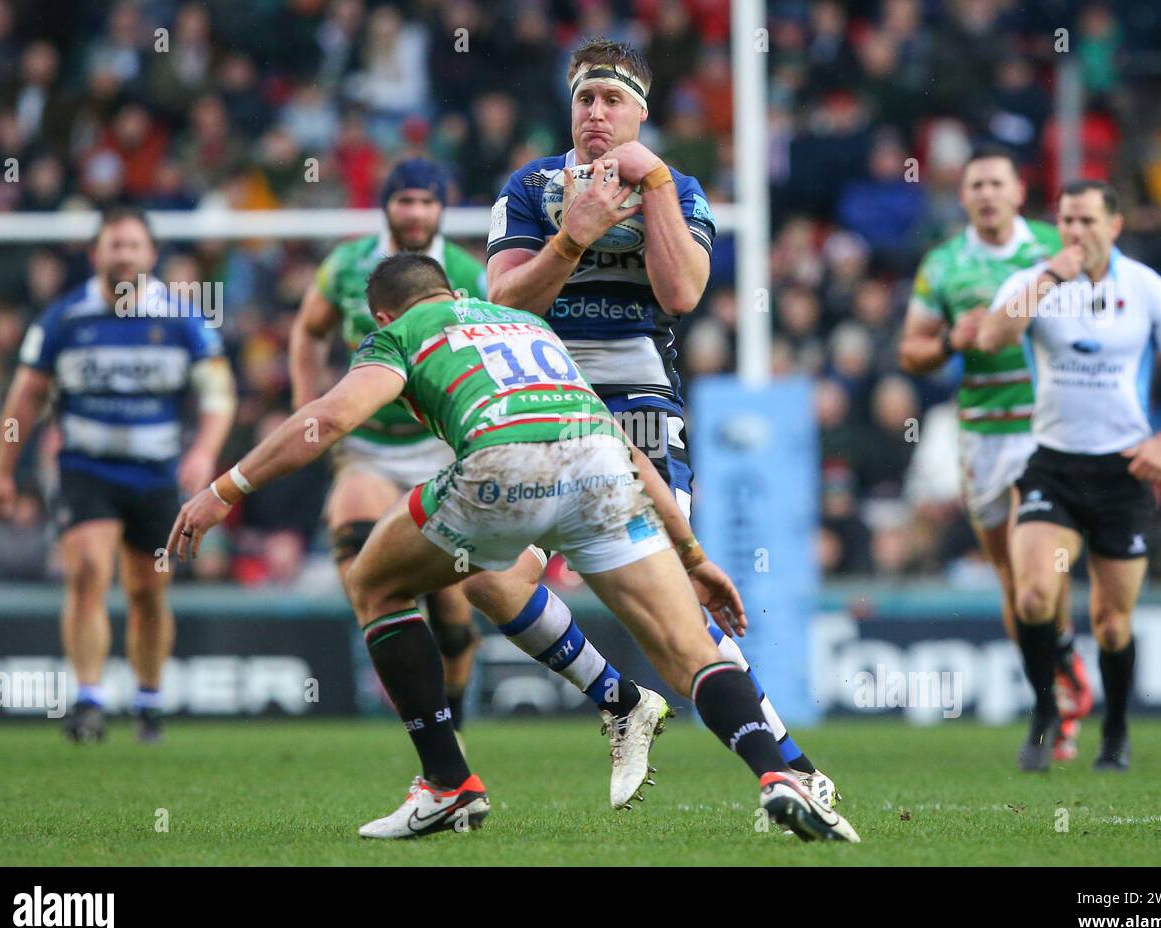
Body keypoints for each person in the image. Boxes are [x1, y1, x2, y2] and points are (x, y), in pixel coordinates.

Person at [169, 253, 861, 844]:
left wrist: (223, 490)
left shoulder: (402, 331)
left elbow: (327, 419)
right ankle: (779, 775)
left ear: (382, 315)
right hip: (600, 465)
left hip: (508, 464)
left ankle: (448, 782)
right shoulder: (528, 324)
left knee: (376, 580)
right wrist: (693, 554)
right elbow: (618, 441)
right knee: (689, 650)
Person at [479, 35, 842, 811]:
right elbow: (503, 308)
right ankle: (618, 700)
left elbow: (680, 294)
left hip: (638, 411)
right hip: (541, 405)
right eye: (585, 99)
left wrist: (660, 188)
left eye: (612, 100)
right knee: (478, 570)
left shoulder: (680, 187)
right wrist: (573, 234)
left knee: (671, 611)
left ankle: (790, 763)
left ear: (640, 113)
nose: (596, 114)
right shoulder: (532, 186)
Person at [976, 180, 1161, 771]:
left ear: (1116, 225)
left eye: (1087, 221)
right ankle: (1045, 708)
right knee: (1032, 596)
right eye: (1067, 221)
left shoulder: (1148, 289)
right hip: (1052, 465)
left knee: (1110, 622)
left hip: (1123, 471)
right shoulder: (1039, 281)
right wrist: (1049, 278)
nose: (1076, 232)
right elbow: (990, 338)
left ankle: (1118, 731)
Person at [0, 206, 235, 743]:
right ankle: (90, 700)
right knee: (88, 573)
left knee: (147, 591)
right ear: (95, 254)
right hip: (85, 467)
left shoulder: (182, 317)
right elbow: (24, 397)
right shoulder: (63, 318)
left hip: (156, 474)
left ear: (151, 255)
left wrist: (204, 453)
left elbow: (218, 394)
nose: (123, 255)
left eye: (133, 246)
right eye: (114, 245)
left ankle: (148, 700)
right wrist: (1, 470)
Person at [898, 144, 1092, 761]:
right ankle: (1055, 671)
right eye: (975, 183)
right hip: (981, 431)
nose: (985, 193)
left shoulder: (1050, 246)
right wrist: (951, 341)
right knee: (1013, 581)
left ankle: (1051, 686)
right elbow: (910, 351)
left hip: (1048, 426)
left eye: (996, 183)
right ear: (963, 196)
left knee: (1040, 558)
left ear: (1018, 190)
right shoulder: (944, 264)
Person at [290, 158, 486, 735]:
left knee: (452, 611)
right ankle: (414, 704)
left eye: (428, 201)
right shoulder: (347, 264)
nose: (417, 212)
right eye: (406, 201)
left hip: (441, 448)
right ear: (387, 206)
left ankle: (449, 716)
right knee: (358, 551)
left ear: (442, 208)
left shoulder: (468, 272)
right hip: (368, 447)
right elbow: (308, 331)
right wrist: (309, 409)